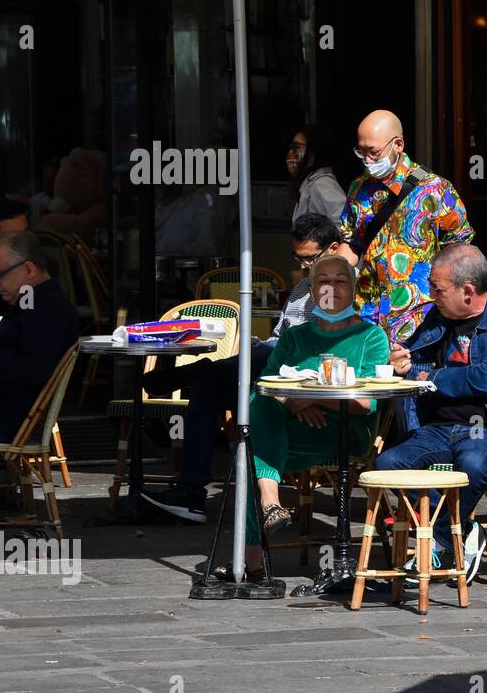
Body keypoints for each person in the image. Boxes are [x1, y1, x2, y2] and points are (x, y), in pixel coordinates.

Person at [140, 214, 344, 522]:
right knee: (208, 389)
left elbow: (330, 344)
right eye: (298, 258)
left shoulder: (341, 286)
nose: (304, 265)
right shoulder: (303, 285)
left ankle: (194, 373)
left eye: (310, 258)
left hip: (300, 368)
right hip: (276, 360)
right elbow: (280, 334)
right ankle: (190, 493)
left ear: (333, 248)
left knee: (220, 372)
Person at [376, 245, 487, 584]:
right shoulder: (439, 315)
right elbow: (413, 361)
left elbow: (486, 380)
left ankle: (437, 542)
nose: (430, 294)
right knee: (387, 464)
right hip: (437, 425)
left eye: (437, 287)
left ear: (467, 291)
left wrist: (430, 377)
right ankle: (461, 530)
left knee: (474, 463)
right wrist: (402, 363)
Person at [236, 255, 389, 579]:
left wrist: (304, 395)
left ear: (353, 290)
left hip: (346, 429)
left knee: (249, 450)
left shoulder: (370, 336)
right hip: (291, 426)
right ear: (312, 289)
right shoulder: (295, 336)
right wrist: (293, 404)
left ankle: (253, 560)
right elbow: (266, 385)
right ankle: (269, 504)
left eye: (340, 280)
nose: (331, 287)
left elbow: (365, 404)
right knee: (255, 413)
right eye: (323, 281)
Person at [337, 110, 473, 357]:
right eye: (361, 152)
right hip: (365, 320)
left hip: (420, 322)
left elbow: (461, 251)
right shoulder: (358, 187)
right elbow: (351, 241)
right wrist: (331, 273)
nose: (367, 160)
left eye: (373, 152)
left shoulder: (435, 189)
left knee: (412, 393)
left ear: (398, 144)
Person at [0, 232, 79, 442]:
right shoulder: (29, 300)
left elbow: (35, 370)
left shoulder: (49, 308)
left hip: (1, 420)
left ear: (29, 269)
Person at [287, 125, 346, 224]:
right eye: (291, 147)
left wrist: (322, 239)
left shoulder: (322, 184)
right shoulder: (310, 182)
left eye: (297, 147)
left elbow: (343, 222)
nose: (291, 153)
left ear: (313, 151)